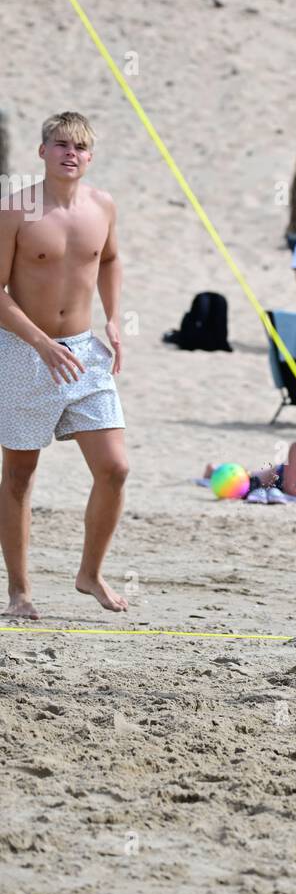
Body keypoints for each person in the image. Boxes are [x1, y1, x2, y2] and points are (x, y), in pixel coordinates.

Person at [0, 112, 128, 620]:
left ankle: (89, 573)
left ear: (90, 156)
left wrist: (114, 319)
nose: (69, 153)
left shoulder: (103, 206)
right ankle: (19, 591)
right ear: (42, 152)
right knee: (20, 475)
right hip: (23, 353)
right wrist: (39, 342)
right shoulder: (14, 211)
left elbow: (111, 260)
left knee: (115, 468)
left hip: (84, 354)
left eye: (78, 146)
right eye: (59, 144)